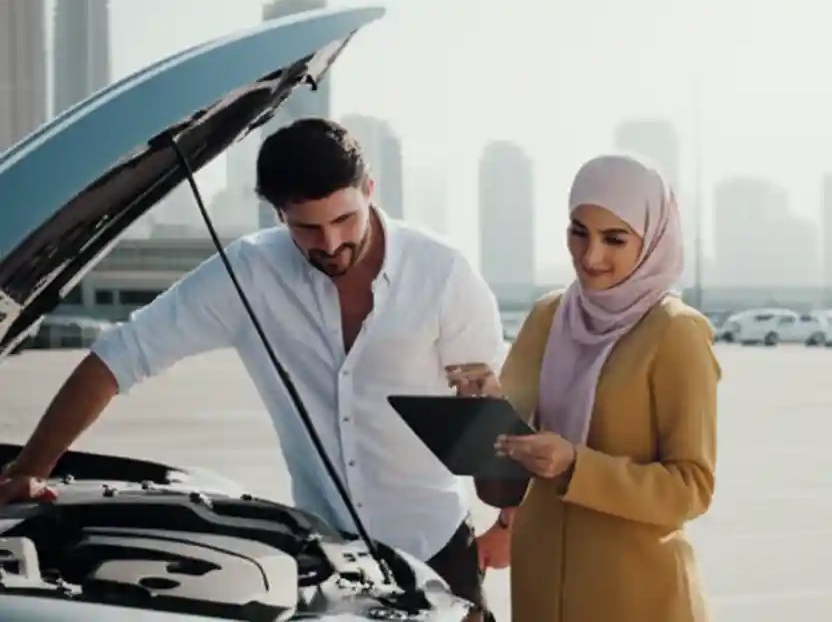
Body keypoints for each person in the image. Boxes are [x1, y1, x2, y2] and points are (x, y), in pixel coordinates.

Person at [0, 118, 507, 617]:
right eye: (307, 227)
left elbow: (495, 408)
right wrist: (29, 469)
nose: (330, 244)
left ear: (369, 189)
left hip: (438, 547)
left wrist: (508, 522)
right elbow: (117, 357)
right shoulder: (247, 275)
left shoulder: (443, 273)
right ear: (276, 212)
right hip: (330, 560)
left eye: (345, 219)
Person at [481, 153, 722, 622]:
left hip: (636, 594)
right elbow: (506, 450)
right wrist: (478, 408)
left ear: (651, 239)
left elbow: (692, 488)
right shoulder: (549, 316)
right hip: (541, 586)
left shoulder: (676, 332)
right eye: (578, 232)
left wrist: (577, 466)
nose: (591, 257)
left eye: (614, 239)